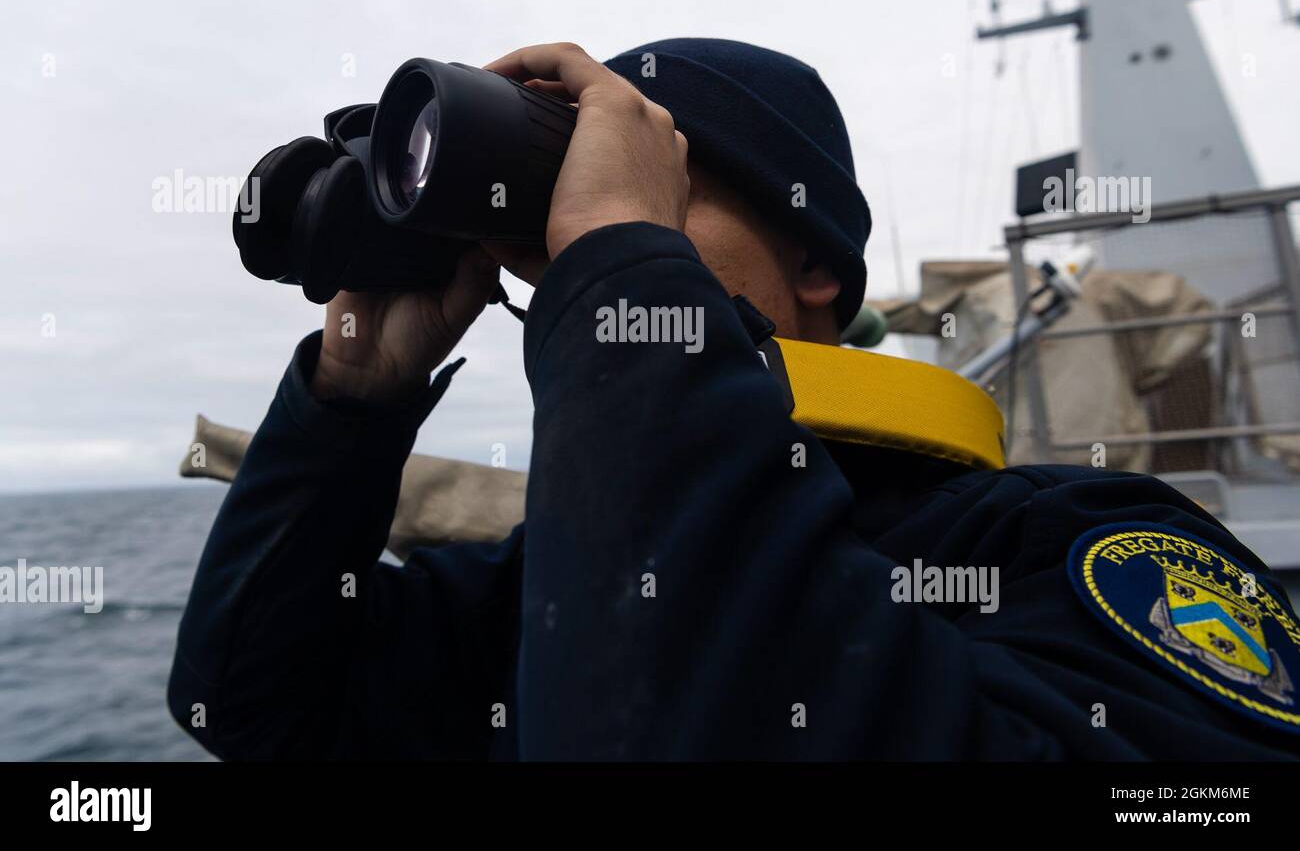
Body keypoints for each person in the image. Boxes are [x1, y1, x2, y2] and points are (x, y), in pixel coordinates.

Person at [169, 39, 1300, 759]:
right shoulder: (541, 579)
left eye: (661, 198)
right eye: (574, 210)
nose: (580, 240)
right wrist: (355, 397)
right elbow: (252, 705)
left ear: (813, 264)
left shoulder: (1068, 542)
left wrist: (620, 254)